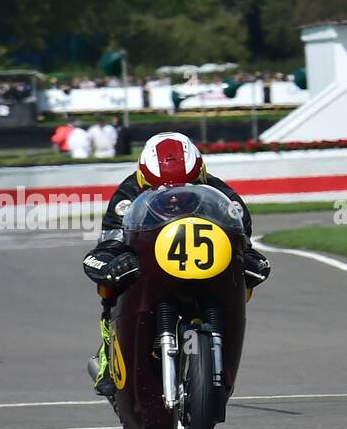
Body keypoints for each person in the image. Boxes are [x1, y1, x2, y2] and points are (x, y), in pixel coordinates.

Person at [81, 132, 271, 397]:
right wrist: (110, 264)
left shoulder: (223, 194)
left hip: (206, 271)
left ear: (200, 173)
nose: (173, 195)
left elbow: (241, 239)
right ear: (143, 177)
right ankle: (107, 354)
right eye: (159, 187)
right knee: (110, 286)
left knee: (243, 283)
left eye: (187, 184)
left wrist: (249, 259)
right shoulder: (127, 194)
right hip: (151, 267)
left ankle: (220, 357)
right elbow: (109, 244)